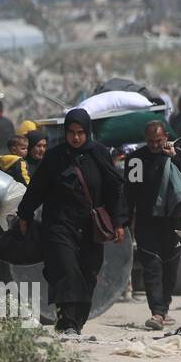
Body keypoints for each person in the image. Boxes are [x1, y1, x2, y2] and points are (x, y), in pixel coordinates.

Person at [16, 109, 127, 335]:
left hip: (90, 226)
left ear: (88, 132)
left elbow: (115, 190)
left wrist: (119, 222)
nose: (76, 138)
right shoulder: (55, 157)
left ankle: (76, 320)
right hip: (59, 223)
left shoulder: (99, 154)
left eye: (80, 133)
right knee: (65, 268)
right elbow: (37, 188)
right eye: (71, 132)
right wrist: (25, 214)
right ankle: (67, 321)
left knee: (88, 272)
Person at [125, 121, 181, 330]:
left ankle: (164, 308)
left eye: (158, 141)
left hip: (173, 220)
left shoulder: (176, 156)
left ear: (165, 136)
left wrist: (174, 158)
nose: (154, 146)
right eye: (150, 142)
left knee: (170, 267)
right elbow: (129, 194)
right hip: (146, 221)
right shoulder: (136, 160)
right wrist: (123, 221)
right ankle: (157, 312)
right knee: (151, 267)